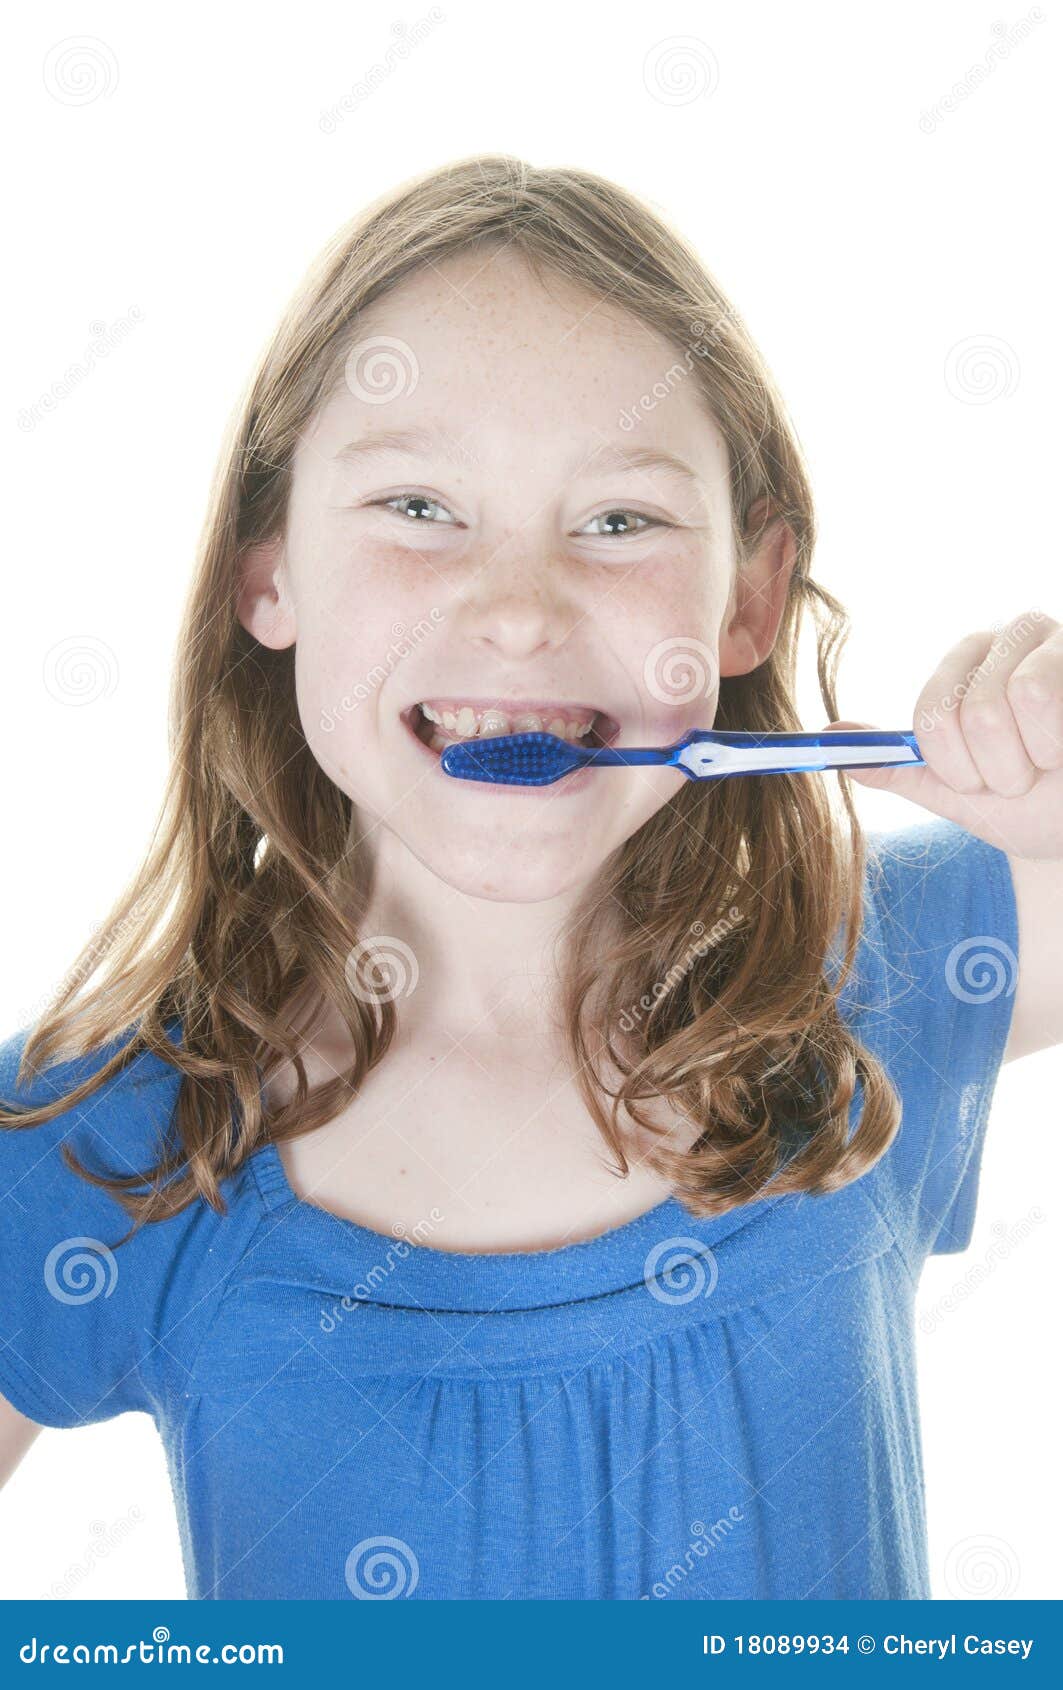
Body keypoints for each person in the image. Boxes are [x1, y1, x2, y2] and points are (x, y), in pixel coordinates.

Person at [2, 154, 1060, 1601]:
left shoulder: (871, 969)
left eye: (619, 521)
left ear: (747, 599)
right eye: (418, 508)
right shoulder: (110, 1131)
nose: (515, 609)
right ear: (269, 577)